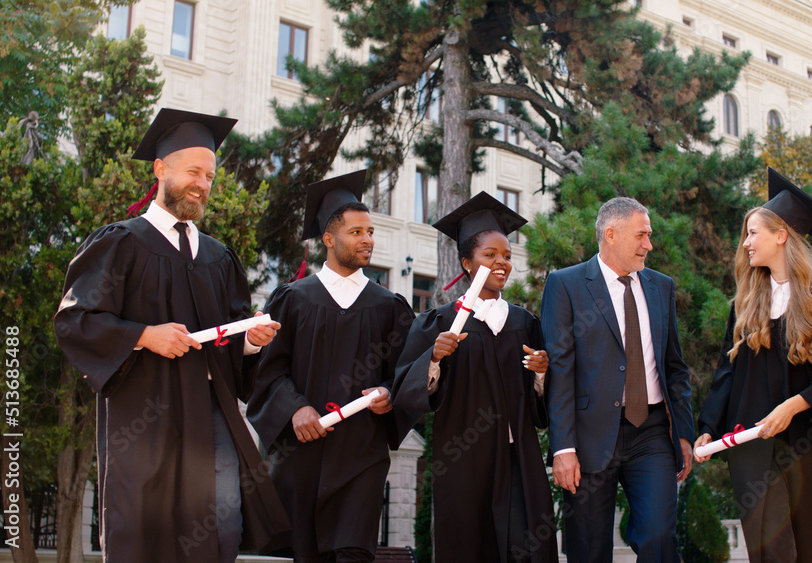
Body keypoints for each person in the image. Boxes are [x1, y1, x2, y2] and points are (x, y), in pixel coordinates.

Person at [53, 108, 288, 562]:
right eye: (193, 172)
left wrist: (250, 340)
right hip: (145, 416)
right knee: (147, 527)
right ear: (161, 169)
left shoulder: (219, 258)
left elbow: (229, 334)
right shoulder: (120, 243)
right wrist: (143, 335)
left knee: (221, 527)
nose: (203, 183)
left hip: (212, 418)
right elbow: (75, 320)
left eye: (211, 176)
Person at [695, 169, 812, 563]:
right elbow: (727, 375)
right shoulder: (746, 308)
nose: (745, 242)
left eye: (753, 233)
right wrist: (708, 429)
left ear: (781, 235)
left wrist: (796, 404)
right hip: (761, 457)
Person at [246, 170, 416, 563]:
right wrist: (294, 408)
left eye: (370, 231)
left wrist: (390, 395)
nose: (368, 240)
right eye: (357, 232)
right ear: (328, 238)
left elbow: (405, 373)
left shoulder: (388, 307)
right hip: (301, 456)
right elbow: (266, 370)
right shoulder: (291, 300)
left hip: (361, 456)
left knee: (353, 552)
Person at [393, 192, 558, 563]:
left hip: (519, 459)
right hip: (465, 461)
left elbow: (540, 407)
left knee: (526, 545)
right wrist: (434, 359)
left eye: (507, 256)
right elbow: (406, 391)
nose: (502, 263)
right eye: (490, 255)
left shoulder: (523, 323)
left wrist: (541, 374)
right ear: (467, 263)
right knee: (471, 545)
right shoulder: (438, 323)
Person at [540, 196, 693, 562]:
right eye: (642, 235)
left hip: (652, 432)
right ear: (611, 234)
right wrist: (563, 448)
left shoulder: (662, 287)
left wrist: (683, 433)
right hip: (589, 436)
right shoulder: (566, 285)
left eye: (649, 235)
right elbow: (560, 371)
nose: (649, 245)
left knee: (659, 538)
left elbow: (675, 366)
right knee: (588, 549)